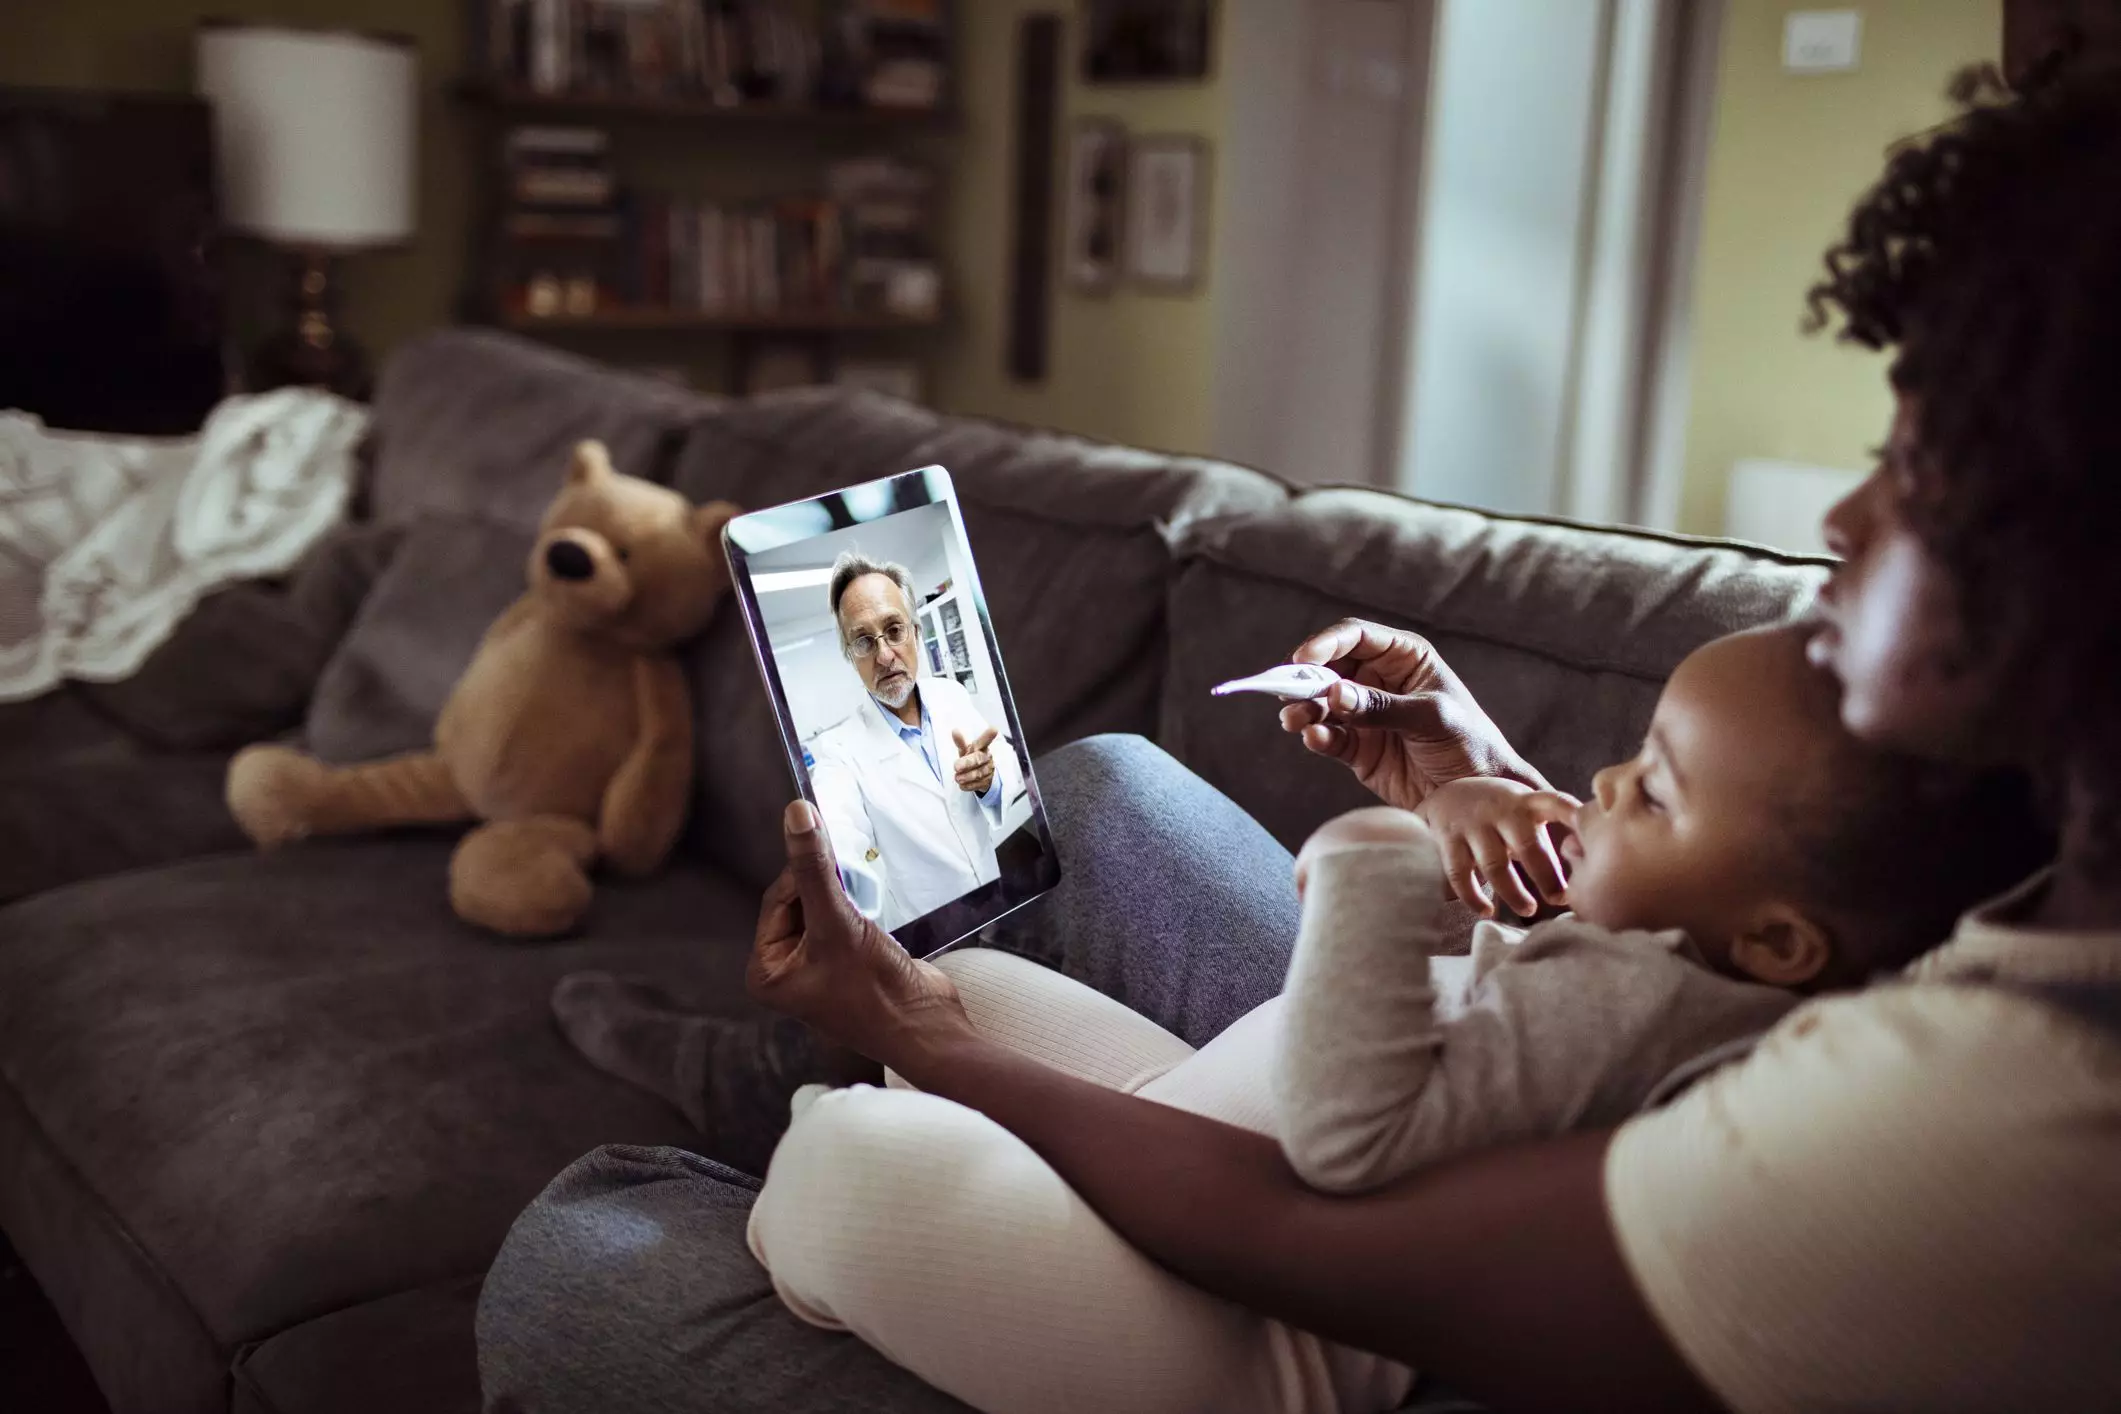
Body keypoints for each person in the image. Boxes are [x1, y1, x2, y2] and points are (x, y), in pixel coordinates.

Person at [478, 59, 2121, 1414]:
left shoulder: (1998, 1126)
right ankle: (801, 1062)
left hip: (1335, 1311)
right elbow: (1690, 976)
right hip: (1403, 1144)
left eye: (1923, 464)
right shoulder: (2006, 846)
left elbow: (1318, 1222)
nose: (1842, 514)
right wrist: (1483, 780)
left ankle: (806, 1101)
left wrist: (1377, 855)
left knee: (582, 1251)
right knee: (1100, 793)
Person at [736, 625, 2046, 1414]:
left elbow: (1348, 1136)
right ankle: (852, 1082)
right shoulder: (1706, 968)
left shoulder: (1655, 1010)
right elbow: (1534, 1002)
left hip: (1248, 1327)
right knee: (991, 979)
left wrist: (1384, 852)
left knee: (840, 1161)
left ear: (1772, 944)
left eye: (1653, 789)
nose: (1602, 780)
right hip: (1213, 1125)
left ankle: (788, 1155)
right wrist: (1479, 799)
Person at [808, 551, 1021, 931]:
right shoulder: (839, 753)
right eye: (863, 642)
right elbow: (838, 838)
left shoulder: (950, 694)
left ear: (917, 633)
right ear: (850, 656)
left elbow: (1005, 764)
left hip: (998, 892)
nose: (885, 655)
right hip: (935, 936)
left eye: (894, 630)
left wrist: (989, 781)